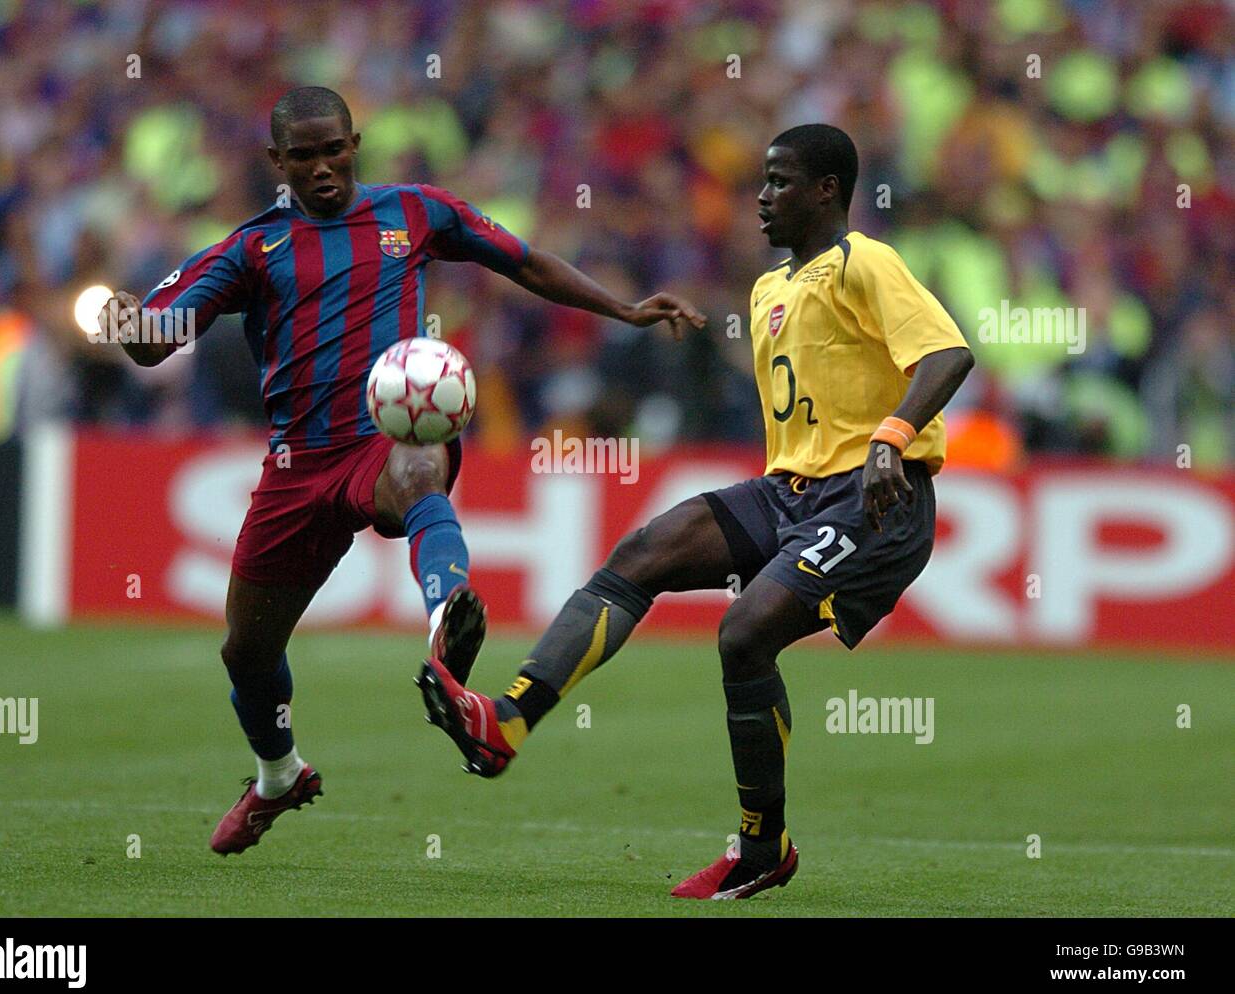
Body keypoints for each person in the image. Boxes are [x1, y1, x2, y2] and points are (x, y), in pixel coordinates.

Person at [99, 86, 705, 856]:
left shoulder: (414, 212)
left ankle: (446, 614)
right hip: (298, 465)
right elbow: (157, 340)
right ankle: (279, 775)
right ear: (276, 161)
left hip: (383, 437)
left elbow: (523, 261)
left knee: (420, 466)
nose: (323, 167)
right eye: (305, 156)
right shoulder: (251, 249)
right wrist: (124, 321)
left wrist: (620, 309)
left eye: (335, 149)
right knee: (246, 653)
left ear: (355, 142)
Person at [418, 124, 975, 900]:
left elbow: (947, 353)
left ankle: (760, 848)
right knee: (641, 553)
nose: (761, 196)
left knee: (744, 634)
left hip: (875, 498)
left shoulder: (866, 262)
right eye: (761, 180)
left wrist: (890, 438)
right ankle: (505, 721)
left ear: (826, 190)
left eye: (780, 181)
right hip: (793, 490)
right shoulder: (769, 289)